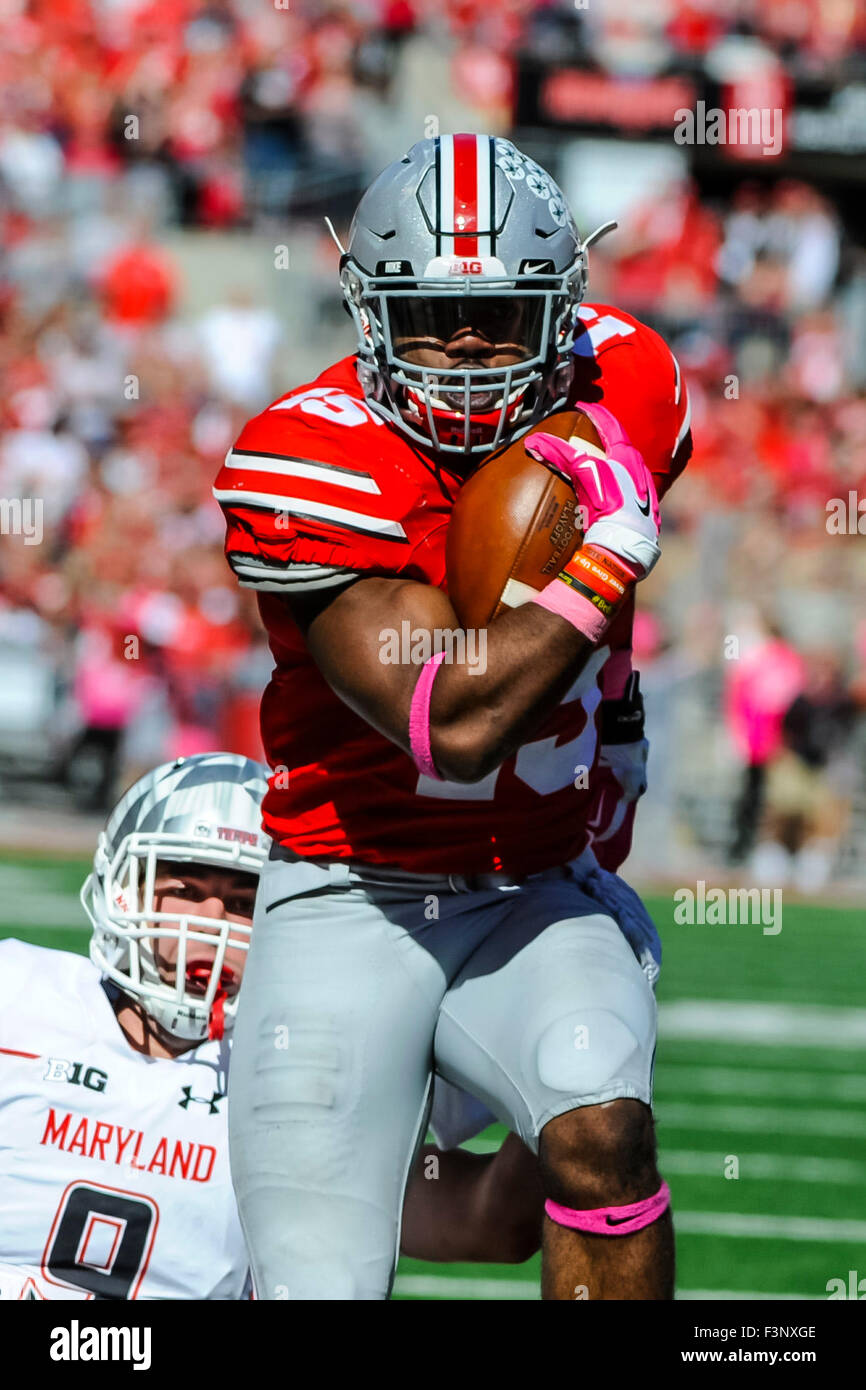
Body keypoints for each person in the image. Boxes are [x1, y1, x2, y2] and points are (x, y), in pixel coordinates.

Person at [215, 134, 693, 1300]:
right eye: (431, 312)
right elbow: (450, 722)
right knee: (318, 1284)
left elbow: (565, 649)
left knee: (600, 1121)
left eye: (499, 313)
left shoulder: (623, 377)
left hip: (528, 885)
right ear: (371, 310)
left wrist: (615, 714)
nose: (467, 344)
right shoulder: (308, 457)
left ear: (561, 310)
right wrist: (605, 562)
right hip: (349, 888)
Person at [0, 752, 268, 1300]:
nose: (212, 922)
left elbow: (457, 1218)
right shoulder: (17, 995)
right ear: (122, 888)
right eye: (187, 892)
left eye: (243, 902)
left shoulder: (292, 1080)